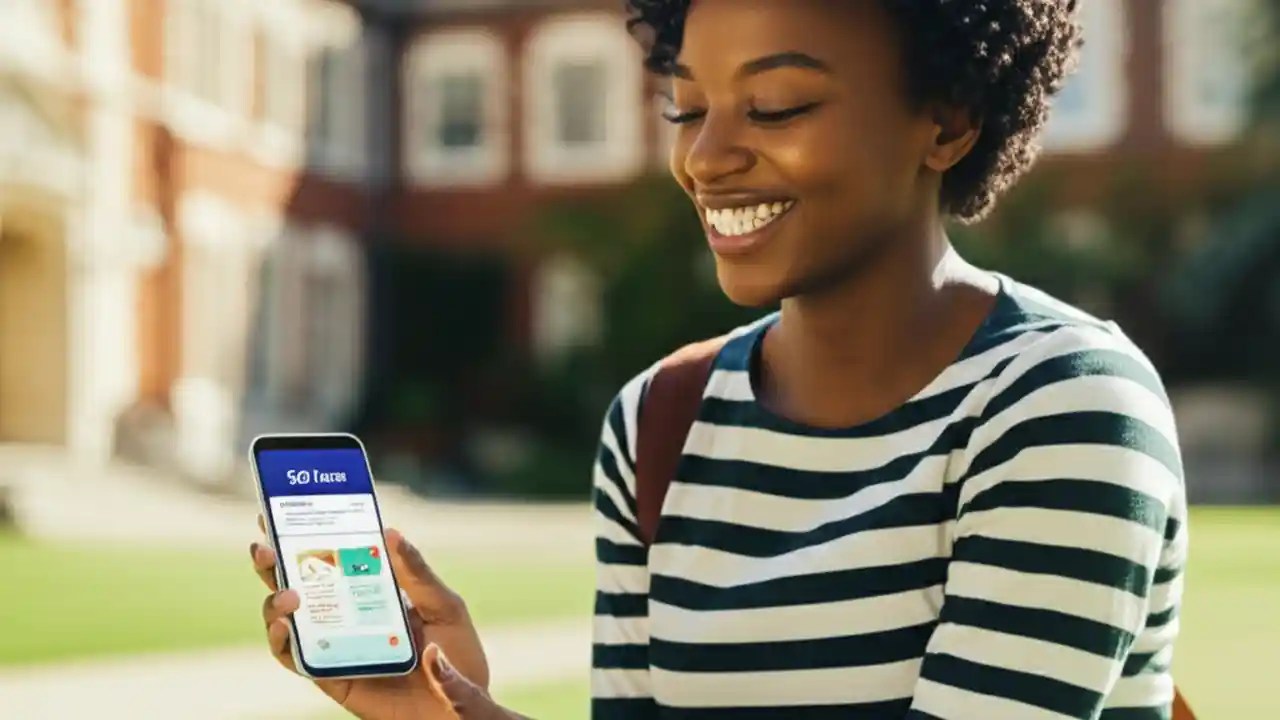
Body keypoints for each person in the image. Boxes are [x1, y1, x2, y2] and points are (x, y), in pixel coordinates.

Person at [251, 0, 1189, 717]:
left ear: (945, 123)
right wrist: (458, 707)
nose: (705, 156)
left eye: (776, 106)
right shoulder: (661, 419)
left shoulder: (1061, 408)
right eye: (686, 106)